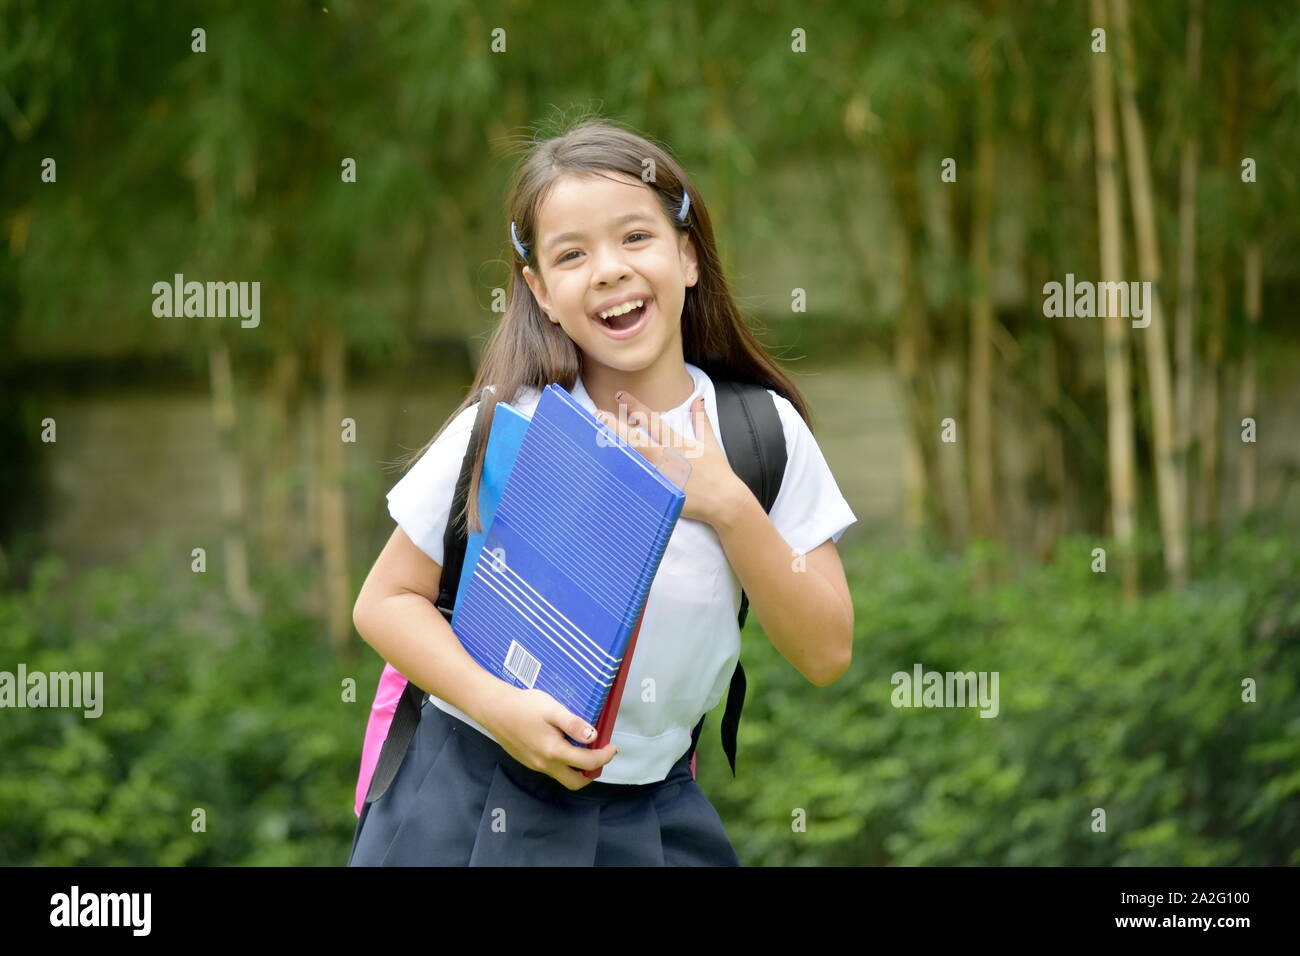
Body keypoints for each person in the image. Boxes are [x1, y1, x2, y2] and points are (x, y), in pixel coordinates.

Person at [348, 116, 857, 866]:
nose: (610, 269)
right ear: (541, 291)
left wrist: (725, 502)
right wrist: (501, 708)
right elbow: (384, 602)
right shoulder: (509, 425)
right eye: (572, 255)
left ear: (688, 256)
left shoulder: (760, 433)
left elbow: (826, 651)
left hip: (649, 813)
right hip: (469, 797)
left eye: (635, 238)